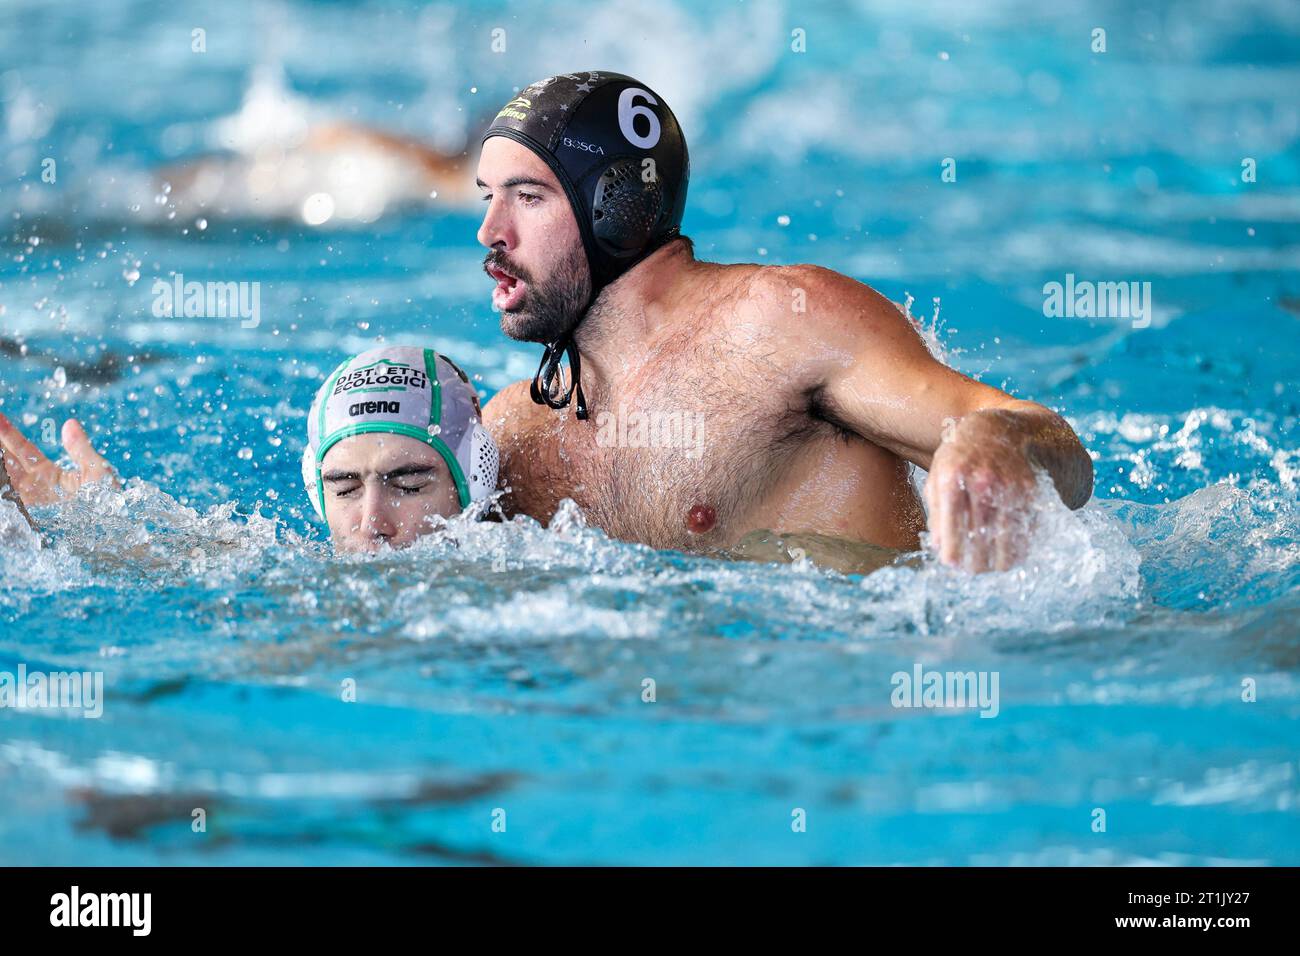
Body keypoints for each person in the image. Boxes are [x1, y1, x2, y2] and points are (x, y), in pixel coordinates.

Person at [475, 70, 1093, 573]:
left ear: (618, 208)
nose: (490, 233)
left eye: (528, 198)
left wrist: (994, 444)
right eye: (488, 196)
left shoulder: (783, 326)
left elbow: (1059, 451)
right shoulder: (515, 431)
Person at [0, 345, 499, 553]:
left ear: (473, 481)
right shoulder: (292, 576)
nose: (372, 524)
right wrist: (78, 523)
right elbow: (146, 571)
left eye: (408, 484)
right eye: (344, 488)